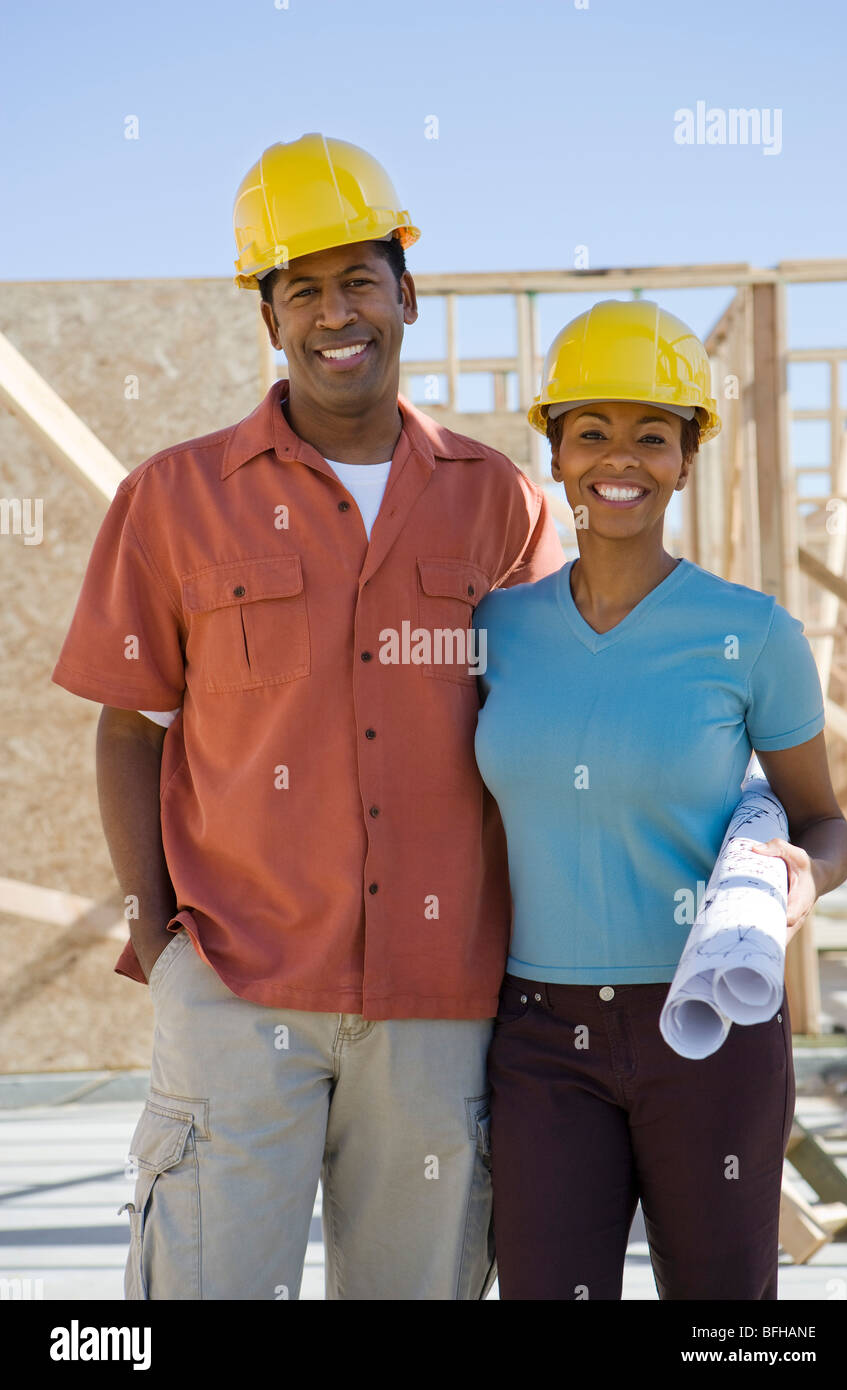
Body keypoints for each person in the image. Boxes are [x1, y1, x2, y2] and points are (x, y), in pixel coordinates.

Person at [51, 133, 565, 1300]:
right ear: (269, 318)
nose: (337, 313)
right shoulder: (174, 499)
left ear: (407, 293)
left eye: (358, 281)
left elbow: (546, 735)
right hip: (237, 983)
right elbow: (129, 725)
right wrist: (163, 937)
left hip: (440, 1000)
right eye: (303, 289)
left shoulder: (504, 504)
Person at [472, 298, 847, 1301]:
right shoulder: (493, 633)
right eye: (590, 431)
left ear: (685, 458)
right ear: (554, 452)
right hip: (538, 1039)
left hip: (710, 1031)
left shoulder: (748, 633)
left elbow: (823, 822)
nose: (621, 458)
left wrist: (804, 875)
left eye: (653, 435)